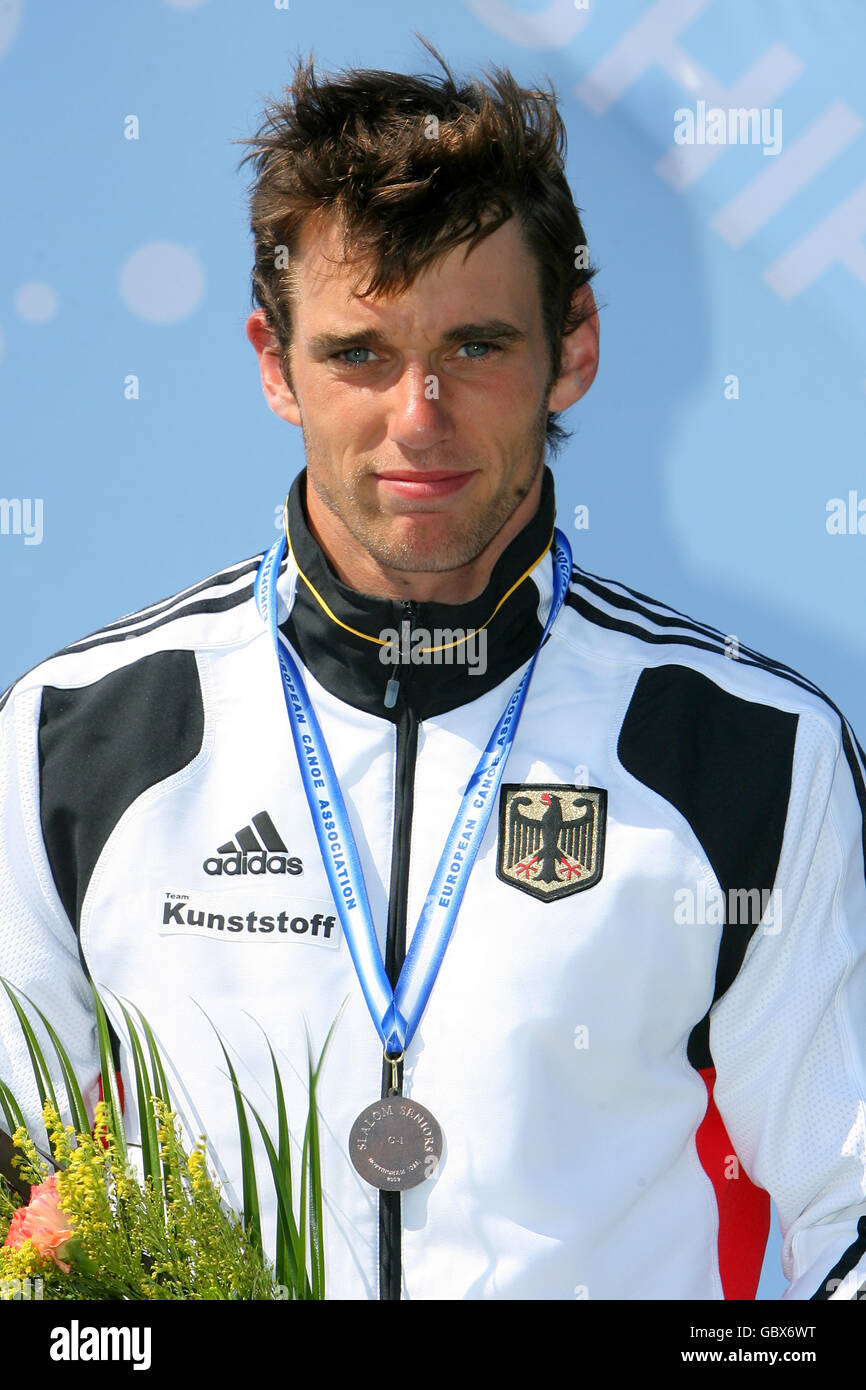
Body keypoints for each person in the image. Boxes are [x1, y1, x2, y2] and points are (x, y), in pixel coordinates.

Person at [1, 38, 865, 1303]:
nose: (417, 413)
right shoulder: (78, 733)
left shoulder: (747, 751)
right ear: (270, 361)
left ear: (570, 350)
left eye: (473, 346)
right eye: (358, 353)